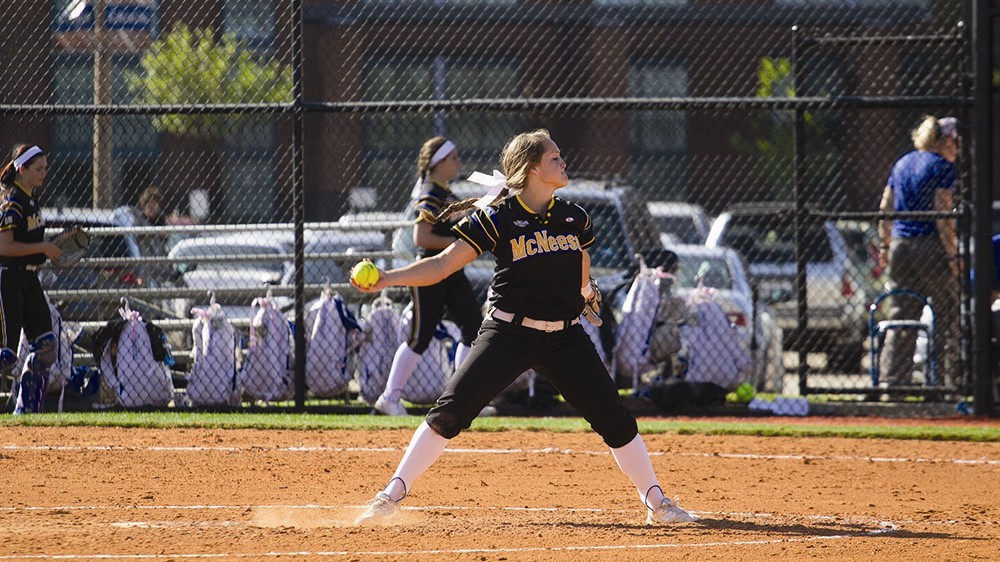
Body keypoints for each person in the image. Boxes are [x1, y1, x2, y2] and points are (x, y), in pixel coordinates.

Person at [351, 129, 697, 525]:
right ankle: (389, 496)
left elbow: (580, 259)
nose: (563, 162)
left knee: (614, 417)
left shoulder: (574, 216)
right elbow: (442, 264)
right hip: (508, 334)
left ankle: (657, 502)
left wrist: (586, 290)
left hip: (565, 337)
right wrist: (386, 278)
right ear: (532, 169)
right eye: (554, 158)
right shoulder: (498, 217)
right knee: (450, 412)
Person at [372, 137, 484, 416]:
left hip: (453, 271)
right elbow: (421, 237)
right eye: (453, 157)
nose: (459, 161)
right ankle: (389, 398)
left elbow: (456, 222)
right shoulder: (430, 192)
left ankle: (462, 398)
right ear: (439, 163)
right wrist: (459, 245)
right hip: (431, 272)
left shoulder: (446, 191)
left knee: (474, 330)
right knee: (420, 337)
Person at [877, 115, 961, 385]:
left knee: (901, 317)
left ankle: (892, 383)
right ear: (946, 140)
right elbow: (942, 212)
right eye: (956, 142)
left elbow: (885, 207)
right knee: (947, 314)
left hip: (901, 245)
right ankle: (946, 382)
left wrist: (885, 245)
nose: (958, 149)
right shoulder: (942, 165)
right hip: (930, 245)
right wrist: (952, 253)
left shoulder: (903, 162)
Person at [0, 144, 63, 414]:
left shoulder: (31, 198)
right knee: (5, 356)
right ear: (21, 169)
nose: (43, 173)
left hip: (28, 279)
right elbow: (4, 247)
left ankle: (27, 414)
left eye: (45, 168)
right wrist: (42, 248)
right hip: (8, 280)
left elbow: (30, 242)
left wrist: (52, 246)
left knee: (46, 346)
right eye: (38, 169)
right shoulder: (13, 201)